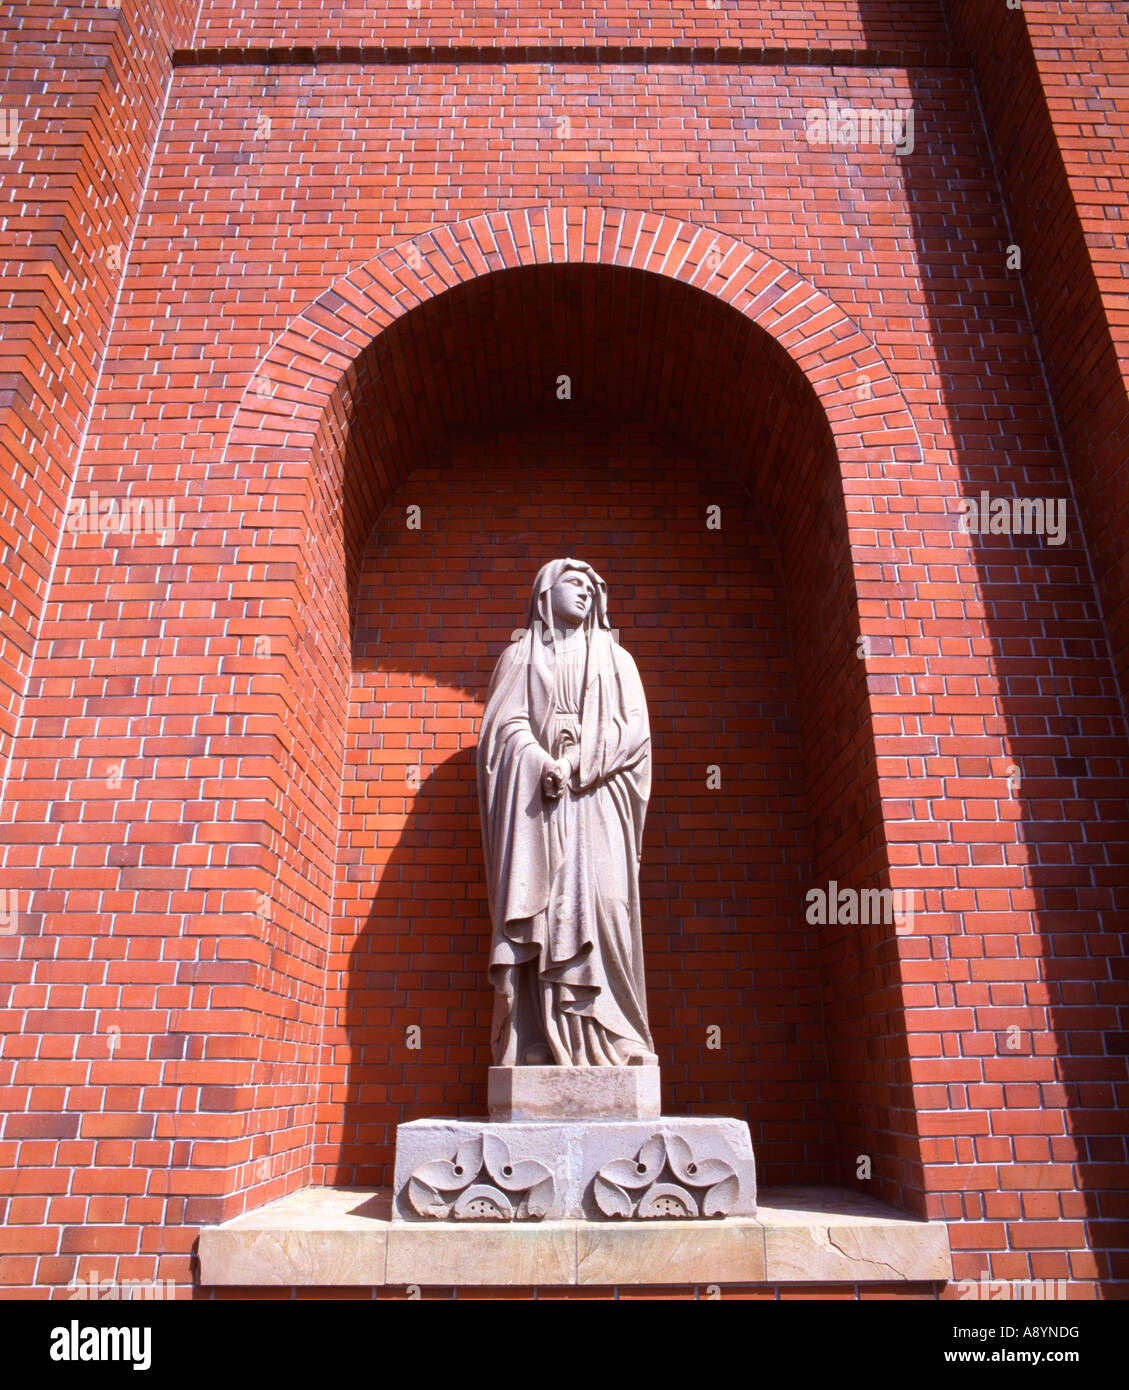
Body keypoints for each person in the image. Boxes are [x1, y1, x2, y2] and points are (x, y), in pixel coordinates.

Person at [476, 558, 658, 1067]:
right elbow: (501, 732)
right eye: (572, 583)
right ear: (544, 594)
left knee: (606, 906)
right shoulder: (520, 657)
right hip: (539, 806)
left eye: (590, 586)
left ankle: (618, 1037)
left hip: (599, 803)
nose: (584, 592)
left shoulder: (618, 660)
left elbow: (635, 734)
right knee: (544, 910)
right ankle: (538, 1040)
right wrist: (540, 763)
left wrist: (579, 762)